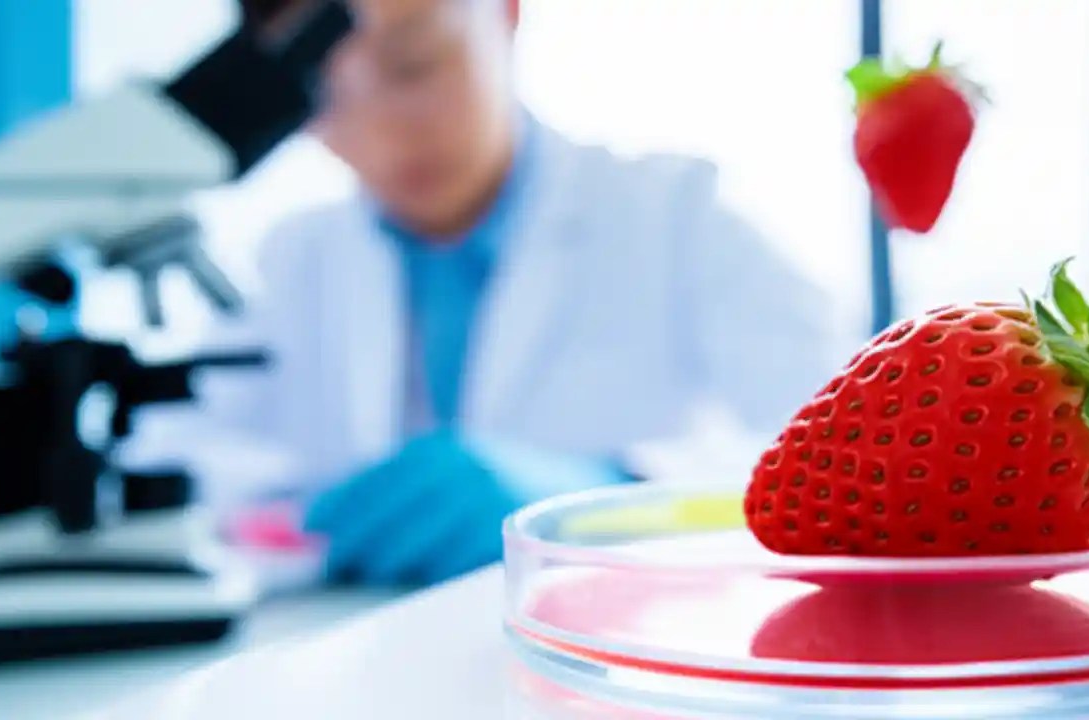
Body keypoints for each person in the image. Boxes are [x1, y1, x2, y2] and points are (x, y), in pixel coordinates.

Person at [198, 0, 835, 586]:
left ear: (506, 13)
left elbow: (835, 461)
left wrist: (621, 494)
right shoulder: (287, 261)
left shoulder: (678, 212)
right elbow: (190, 462)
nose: (386, 125)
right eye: (325, 94)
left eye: (415, 67)